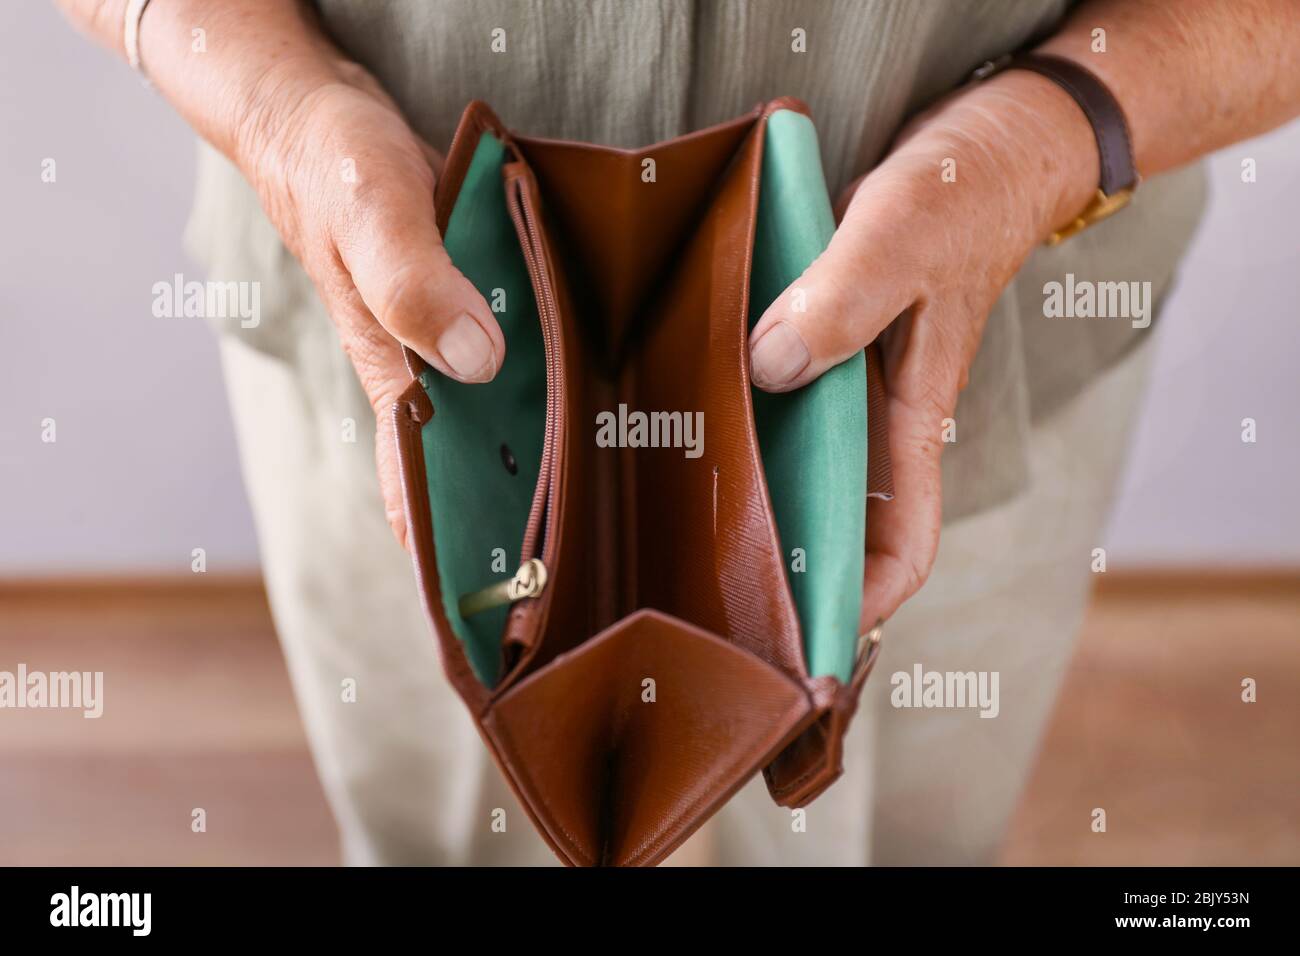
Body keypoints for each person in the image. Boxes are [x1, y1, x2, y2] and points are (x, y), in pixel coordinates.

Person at [57, 0, 1300, 865]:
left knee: (902, 844)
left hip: (966, 356)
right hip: (394, 367)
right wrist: (284, 109)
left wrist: (1051, 132)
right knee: (441, 844)